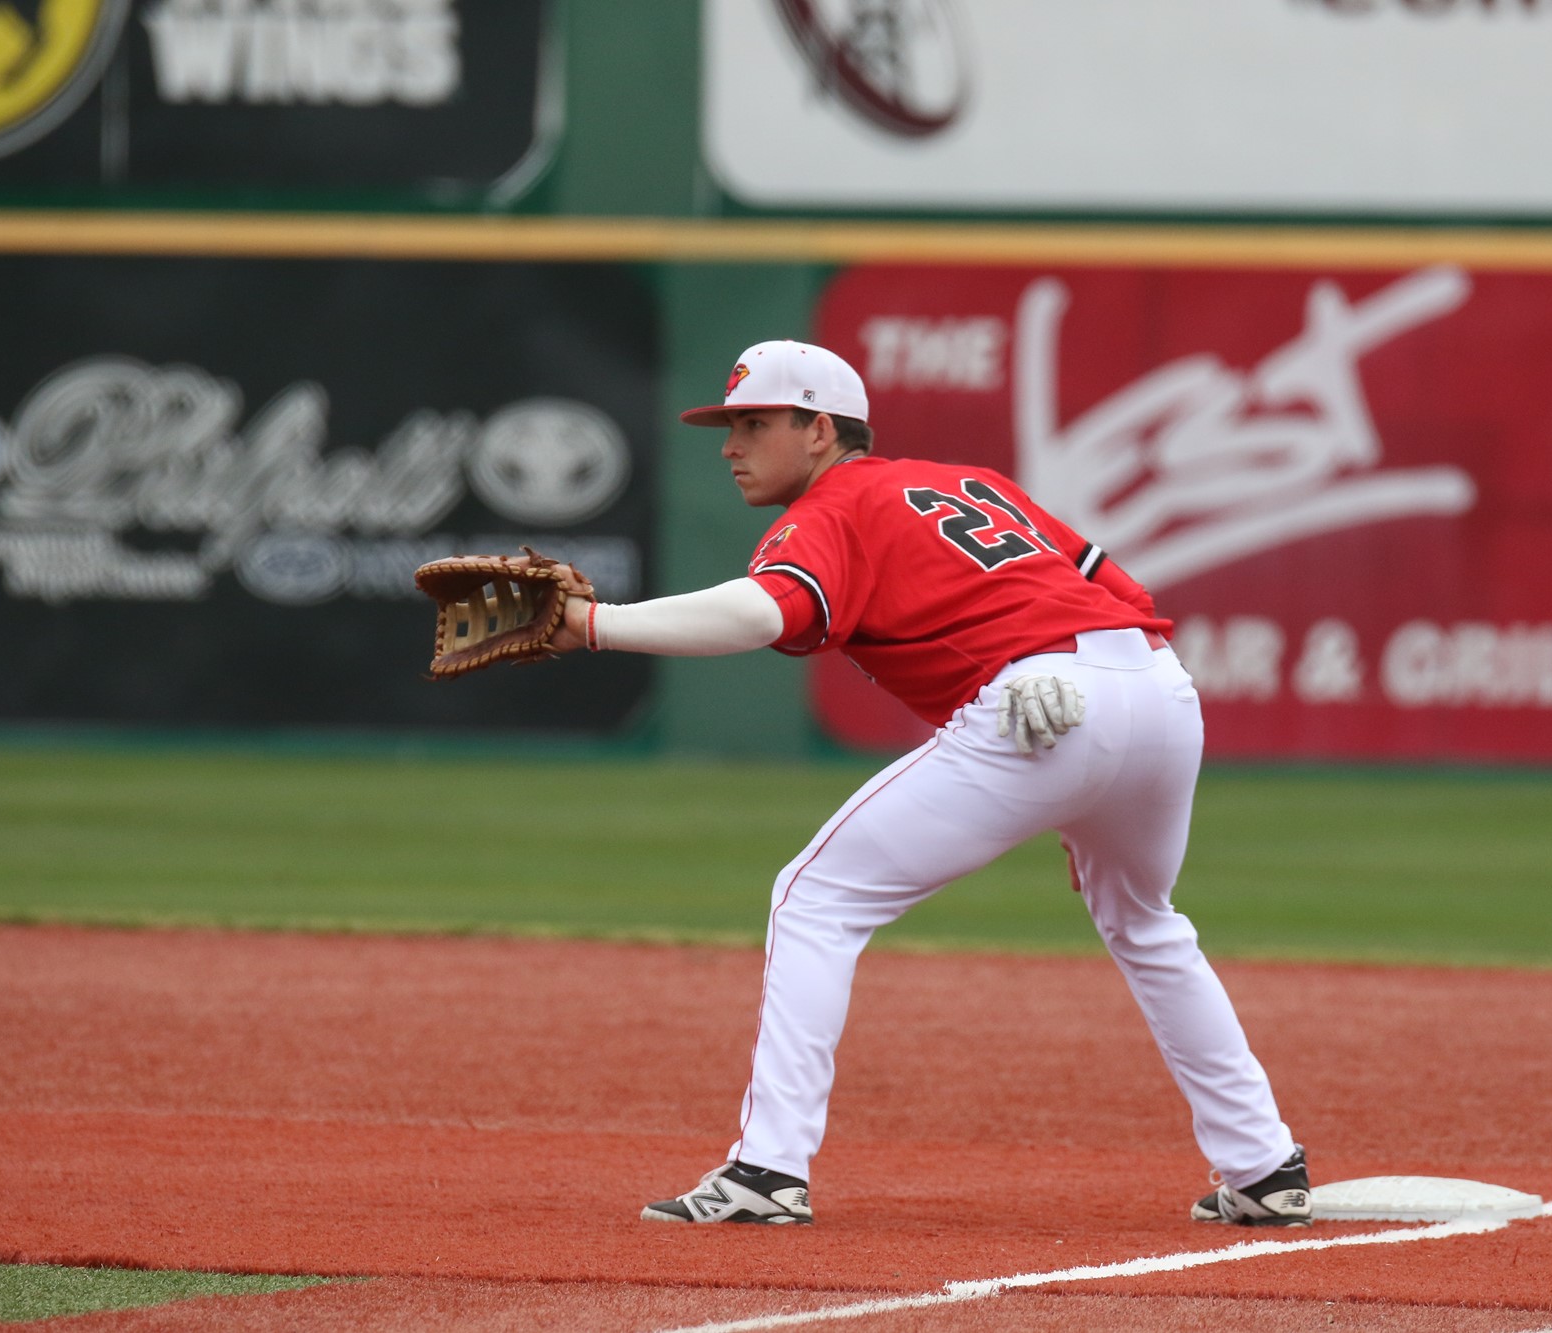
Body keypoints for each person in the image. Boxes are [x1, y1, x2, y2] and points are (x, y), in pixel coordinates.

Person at [548, 339, 1308, 1228]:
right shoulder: (974, 482)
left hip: (1043, 706)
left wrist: (595, 624)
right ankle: (1262, 1164)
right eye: (730, 425)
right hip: (1159, 689)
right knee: (1146, 921)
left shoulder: (831, 507)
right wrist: (1096, 682)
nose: (730, 444)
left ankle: (766, 1170)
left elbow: (765, 611)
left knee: (814, 895)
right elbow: (1113, 584)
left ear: (819, 430)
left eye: (754, 422)